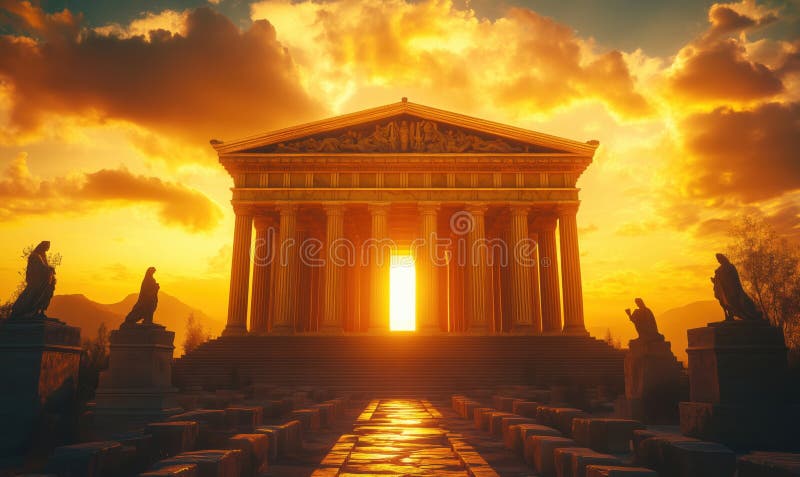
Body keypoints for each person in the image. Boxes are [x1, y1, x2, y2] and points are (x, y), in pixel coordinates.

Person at [10, 241, 56, 319]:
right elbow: (37, 268)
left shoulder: (42, 256)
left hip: (44, 282)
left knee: (44, 295)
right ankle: (27, 311)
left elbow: (45, 267)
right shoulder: (34, 256)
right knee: (32, 295)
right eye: (47, 247)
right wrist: (48, 269)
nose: (47, 249)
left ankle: (39, 310)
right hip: (36, 282)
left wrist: (50, 270)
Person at [711, 253, 763, 321]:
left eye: (719, 259)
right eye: (718, 260)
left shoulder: (730, 267)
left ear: (723, 259)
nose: (718, 261)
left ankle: (750, 314)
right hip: (726, 290)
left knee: (735, 302)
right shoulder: (721, 269)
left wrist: (718, 273)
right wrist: (716, 277)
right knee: (727, 303)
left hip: (733, 290)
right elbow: (719, 275)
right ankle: (730, 316)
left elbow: (733, 278)